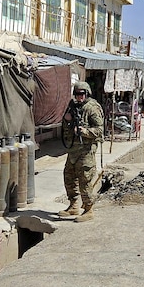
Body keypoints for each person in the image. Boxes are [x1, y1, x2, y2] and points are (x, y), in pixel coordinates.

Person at [57, 81, 104, 223]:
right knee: (69, 178)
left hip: (86, 151)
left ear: (87, 93)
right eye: (77, 94)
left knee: (85, 180)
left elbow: (100, 131)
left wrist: (85, 131)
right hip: (73, 151)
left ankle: (89, 209)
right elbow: (66, 127)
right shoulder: (72, 106)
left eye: (82, 94)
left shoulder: (92, 108)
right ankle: (73, 205)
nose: (79, 97)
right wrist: (67, 120)